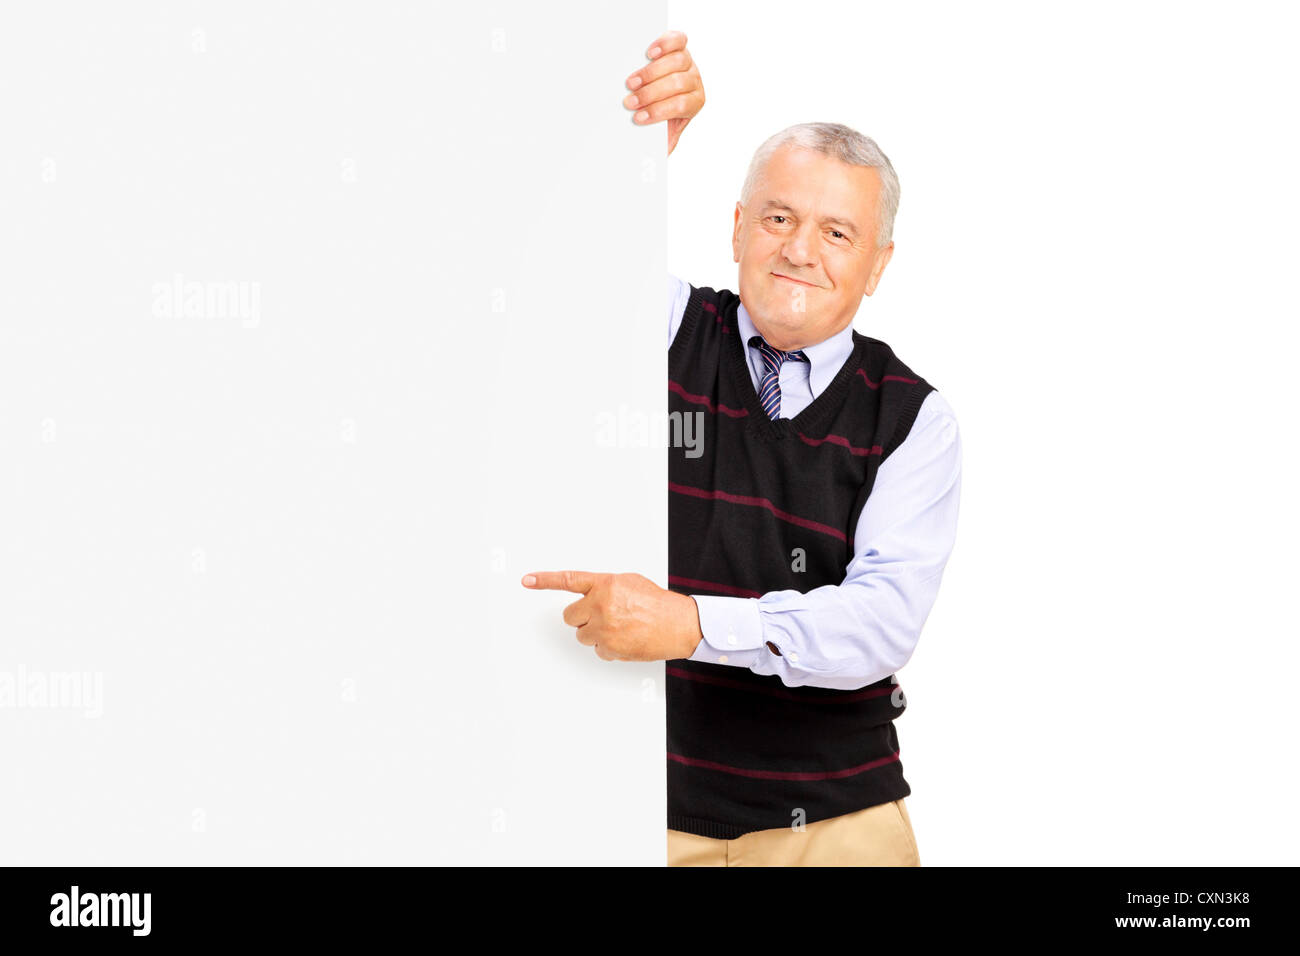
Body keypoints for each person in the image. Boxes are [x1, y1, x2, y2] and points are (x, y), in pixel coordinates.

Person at [522, 31, 961, 867]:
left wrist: (689, 624)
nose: (799, 249)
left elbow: (876, 625)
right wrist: (640, 153)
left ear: (879, 265)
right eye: (779, 217)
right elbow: (554, 271)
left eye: (838, 233)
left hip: (839, 825)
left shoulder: (915, 420)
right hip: (647, 815)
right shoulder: (666, 329)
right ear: (735, 228)